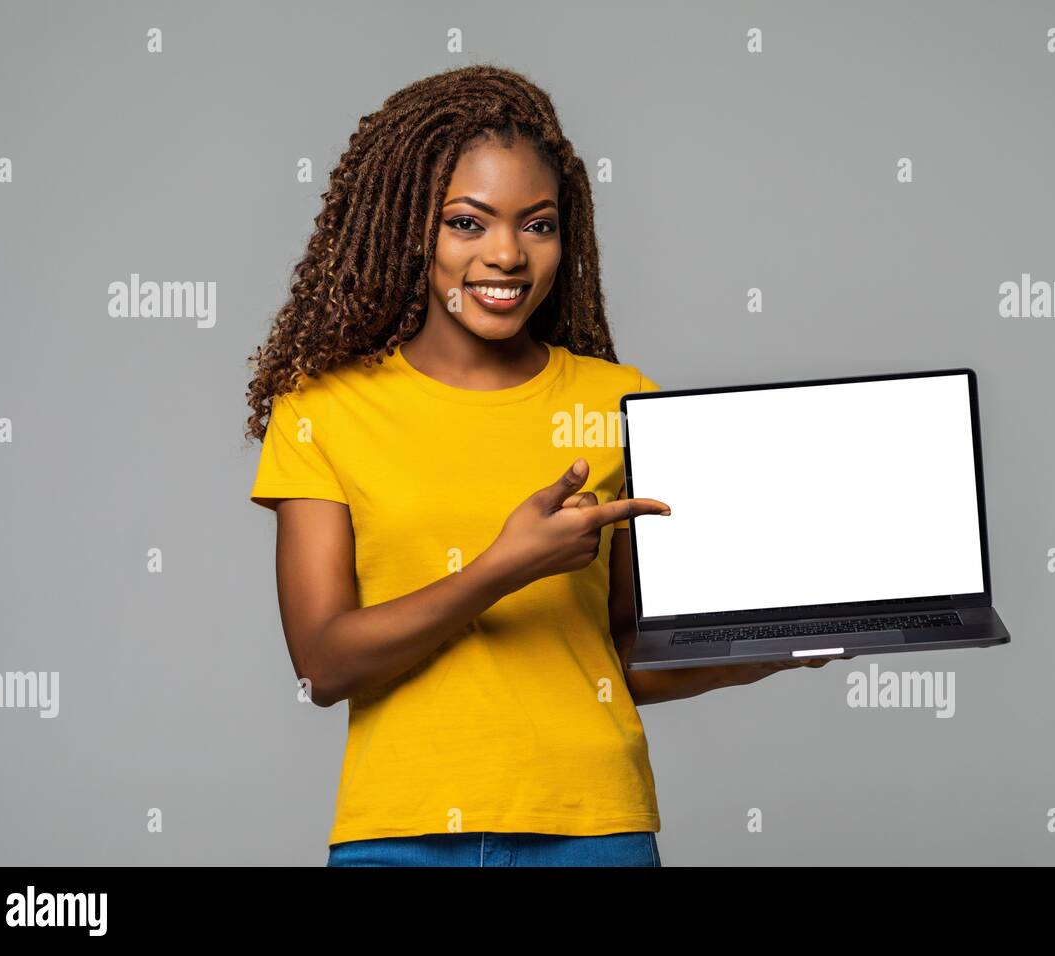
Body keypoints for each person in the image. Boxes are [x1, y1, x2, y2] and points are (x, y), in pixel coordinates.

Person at [244, 64, 843, 867]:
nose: (506, 255)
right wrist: (502, 568)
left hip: (593, 831)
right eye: (467, 223)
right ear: (406, 229)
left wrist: (760, 651)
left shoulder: (619, 402)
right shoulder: (323, 411)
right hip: (400, 836)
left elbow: (625, 653)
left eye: (537, 224)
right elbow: (323, 662)